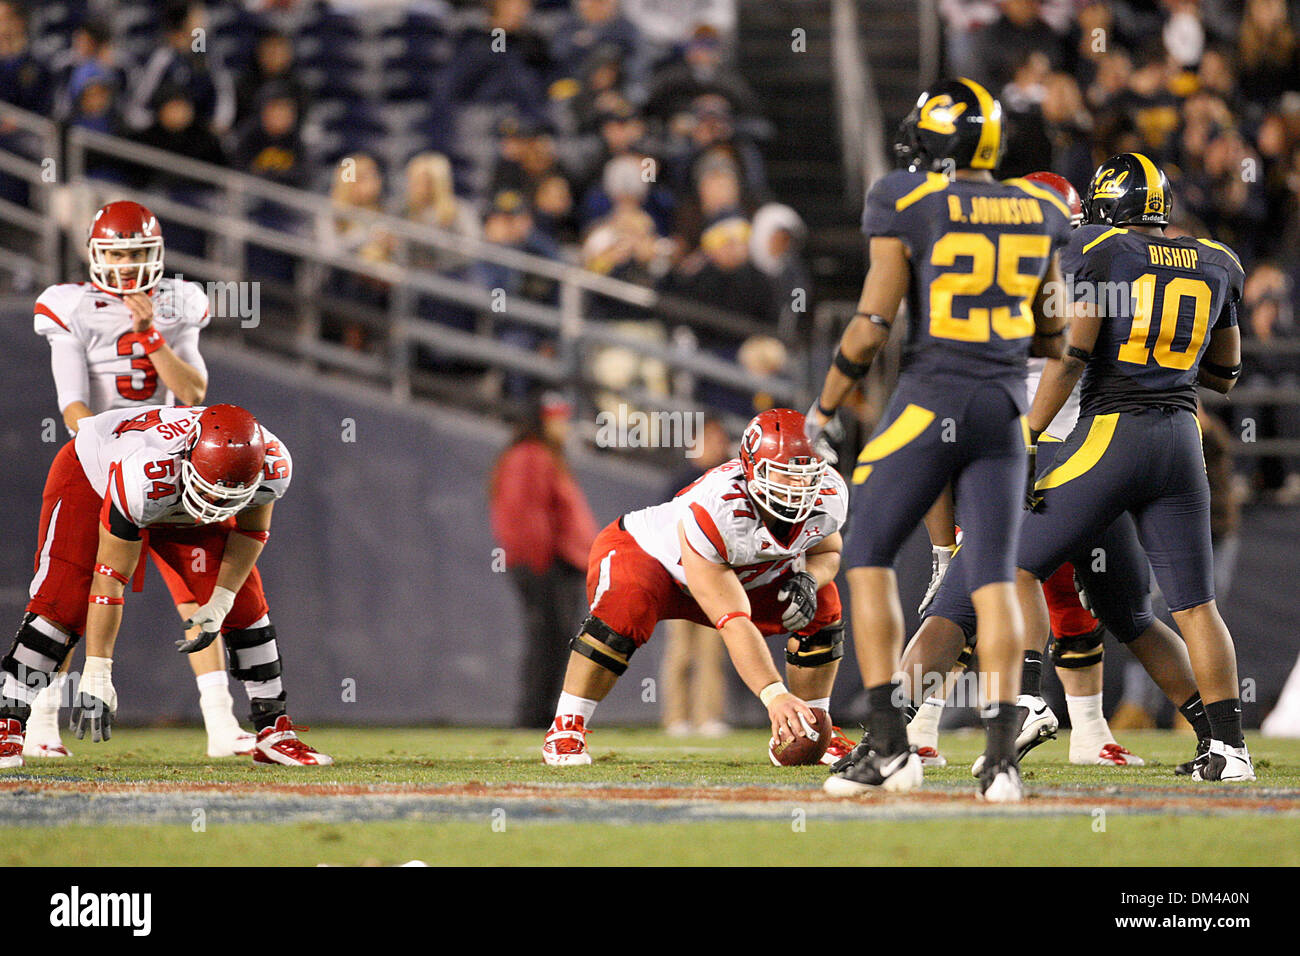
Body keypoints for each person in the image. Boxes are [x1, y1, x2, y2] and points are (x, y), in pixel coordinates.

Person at [807, 78, 1072, 801]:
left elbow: (870, 325)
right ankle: (1000, 764)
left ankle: (890, 743)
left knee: (866, 555)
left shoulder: (907, 196)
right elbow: (1054, 334)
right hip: (1003, 406)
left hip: (933, 395)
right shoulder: (1043, 205)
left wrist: (823, 407)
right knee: (993, 579)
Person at [1015, 151, 1253, 782]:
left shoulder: (1099, 249)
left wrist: (1028, 432)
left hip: (1114, 432)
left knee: (1010, 560)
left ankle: (1029, 701)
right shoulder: (1217, 259)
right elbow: (1226, 374)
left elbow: (1072, 356)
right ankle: (1229, 750)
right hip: (1183, 438)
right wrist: (1164, 362)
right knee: (1194, 603)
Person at [27, 200, 254, 760]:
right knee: (70, 595)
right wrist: (115, 451)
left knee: (201, 593)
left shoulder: (178, 303)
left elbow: (195, 394)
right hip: (100, 464)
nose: (128, 264)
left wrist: (151, 334)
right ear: (96, 255)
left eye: (137, 252)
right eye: (118, 252)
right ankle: (41, 722)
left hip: (173, 465)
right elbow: (73, 407)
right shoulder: (72, 307)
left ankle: (222, 725)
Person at [0, 403, 331, 768]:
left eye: (230, 499)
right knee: (63, 603)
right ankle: (6, 721)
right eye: (213, 495)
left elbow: (251, 531)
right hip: (93, 479)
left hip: (188, 484)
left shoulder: (270, 462)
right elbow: (109, 580)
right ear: (187, 458)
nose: (216, 506)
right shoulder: (144, 475)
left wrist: (220, 601)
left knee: (245, 605)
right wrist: (98, 669)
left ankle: (274, 732)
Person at [541, 408, 851, 767]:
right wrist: (775, 696)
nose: (800, 488)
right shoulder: (718, 505)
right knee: (623, 612)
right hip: (651, 558)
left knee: (823, 602)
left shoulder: (829, 493)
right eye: (786, 474)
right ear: (753, 469)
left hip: (739, 573)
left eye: (807, 474)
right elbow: (734, 620)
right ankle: (567, 725)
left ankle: (811, 727)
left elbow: (828, 551)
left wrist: (810, 578)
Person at [490, 394, 598, 729]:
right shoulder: (530, 456)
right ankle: (535, 716)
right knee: (546, 640)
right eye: (557, 420)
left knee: (554, 640)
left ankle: (545, 714)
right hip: (546, 564)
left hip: (556, 563)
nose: (564, 427)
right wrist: (540, 563)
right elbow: (525, 516)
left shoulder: (542, 455)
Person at [659, 418, 731, 738]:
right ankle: (676, 718)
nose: (717, 444)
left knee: (712, 653)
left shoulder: (729, 481)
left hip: (716, 578)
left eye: (720, 438)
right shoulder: (679, 482)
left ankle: (709, 717)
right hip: (681, 575)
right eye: (710, 438)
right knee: (680, 652)